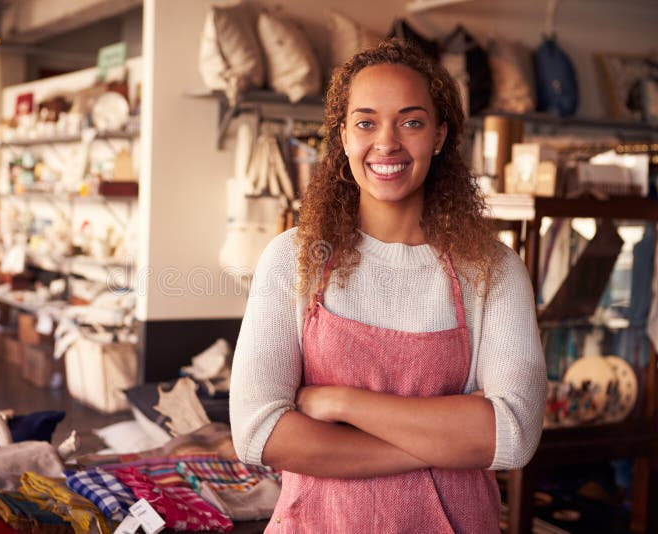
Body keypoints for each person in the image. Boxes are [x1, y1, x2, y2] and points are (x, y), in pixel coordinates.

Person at [229, 39, 547, 533]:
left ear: (439, 136)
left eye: (412, 121)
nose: (387, 143)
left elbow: (513, 435)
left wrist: (339, 403)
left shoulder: (494, 269)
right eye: (366, 122)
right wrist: (442, 443)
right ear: (343, 136)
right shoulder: (293, 259)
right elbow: (259, 433)